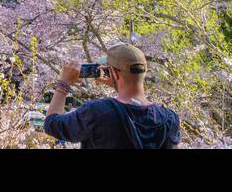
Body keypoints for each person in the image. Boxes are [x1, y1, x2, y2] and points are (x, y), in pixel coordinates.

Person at [43, 43, 179, 149]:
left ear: (113, 73)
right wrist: (119, 84)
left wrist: (63, 85)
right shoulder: (170, 119)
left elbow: (52, 124)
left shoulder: (98, 112)